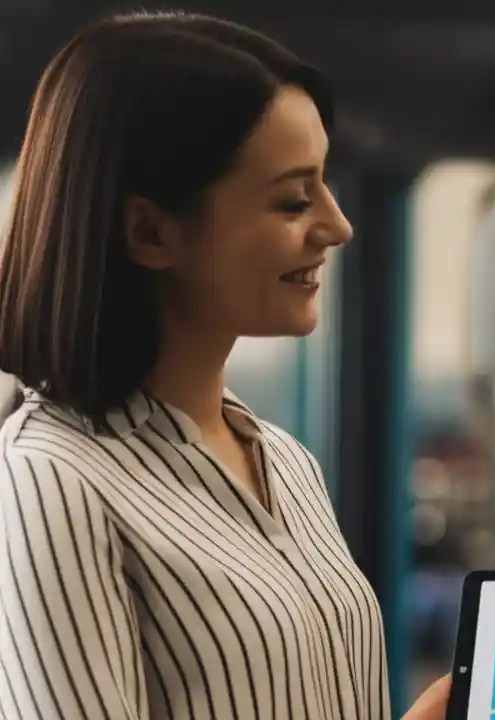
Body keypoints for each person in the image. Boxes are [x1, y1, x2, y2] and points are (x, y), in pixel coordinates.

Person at [0, 12, 450, 720]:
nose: (338, 225)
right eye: (295, 198)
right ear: (150, 231)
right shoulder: (49, 480)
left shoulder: (286, 464)